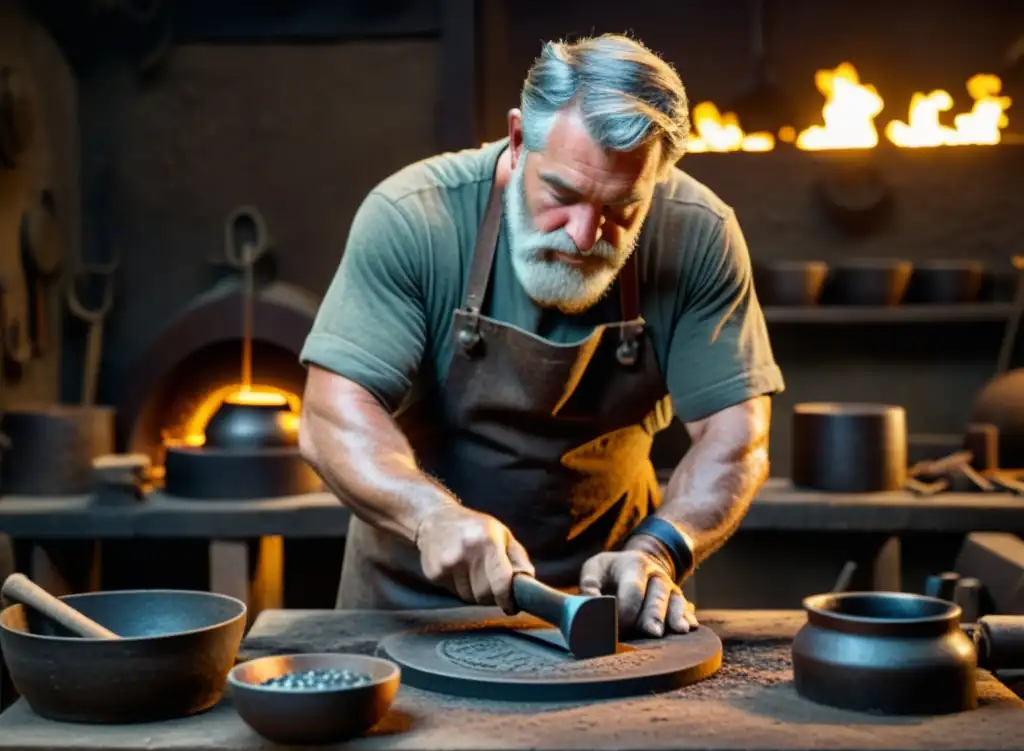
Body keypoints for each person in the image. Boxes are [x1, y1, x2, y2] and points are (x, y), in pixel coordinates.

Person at [298, 33, 784, 638]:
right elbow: (331, 415)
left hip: (612, 610)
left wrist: (662, 547)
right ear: (519, 139)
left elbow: (735, 436)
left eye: (621, 209)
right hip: (411, 605)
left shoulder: (699, 234)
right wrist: (429, 518)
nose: (584, 235)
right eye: (563, 195)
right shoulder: (414, 217)